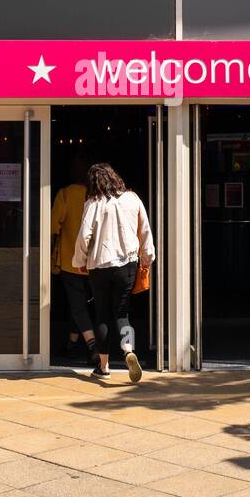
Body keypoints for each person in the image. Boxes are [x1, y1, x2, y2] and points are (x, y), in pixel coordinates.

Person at [72, 163, 154, 383]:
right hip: (127, 264)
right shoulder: (132, 199)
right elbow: (144, 230)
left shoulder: (93, 203)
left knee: (102, 315)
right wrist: (147, 258)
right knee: (122, 313)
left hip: (99, 265)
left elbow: (84, 236)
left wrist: (79, 261)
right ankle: (128, 351)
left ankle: (104, 366)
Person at [51, 158, 96, 367]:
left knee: (77, 305)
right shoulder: (96, 196)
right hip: (95, 262)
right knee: (80, 305)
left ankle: (92, 346)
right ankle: (71, 343)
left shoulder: (66, 194)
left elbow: (53, 225)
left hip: (71, 260)